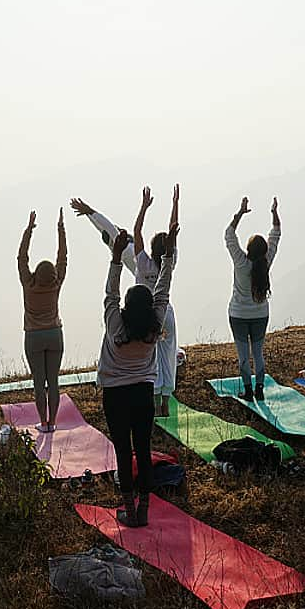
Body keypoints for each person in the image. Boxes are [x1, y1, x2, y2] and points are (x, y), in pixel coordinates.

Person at [98, 205, 178, 529]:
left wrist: (116, 258)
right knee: (143, 450)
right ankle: (143, 508)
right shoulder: (153, 327)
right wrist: (169, 255)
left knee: (122, 450)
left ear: (126, 308)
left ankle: (129, 510)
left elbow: (110, 292)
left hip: (116, 395)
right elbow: (163, 288)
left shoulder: (116, 325)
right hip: (143, 392)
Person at [225, 196, 281, 401]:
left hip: (238, 314)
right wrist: (274, 212)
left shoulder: (241, 262)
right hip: (260, 314)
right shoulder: (266, 263)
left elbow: (229, 235)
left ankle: (247, 390)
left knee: (243, 355)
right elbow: (276, 233)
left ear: (248, 249)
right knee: (258, 352)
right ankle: (259, 389)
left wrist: (240, 213)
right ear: (264, 250)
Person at [131, 185, 180, 416]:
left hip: (145, 317)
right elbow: (174, 233)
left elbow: (136, 231)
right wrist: (175, 204)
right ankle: (165, 404)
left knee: (150, 358)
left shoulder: (143, 263)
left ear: (152, 249)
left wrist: (144, 207)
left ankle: (152, 402)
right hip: (166, 315)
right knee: (168, 356)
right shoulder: (168, 262)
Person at [18, 207, 67, 432]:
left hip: (34, 337)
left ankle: (43, 422)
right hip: (55, 334)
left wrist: (28, 230)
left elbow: (22, 258)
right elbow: (63, 258)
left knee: (39, 382)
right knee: (53, 381)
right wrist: (61, 229)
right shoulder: (56, 284)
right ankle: (54, 422)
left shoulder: (28, 284)